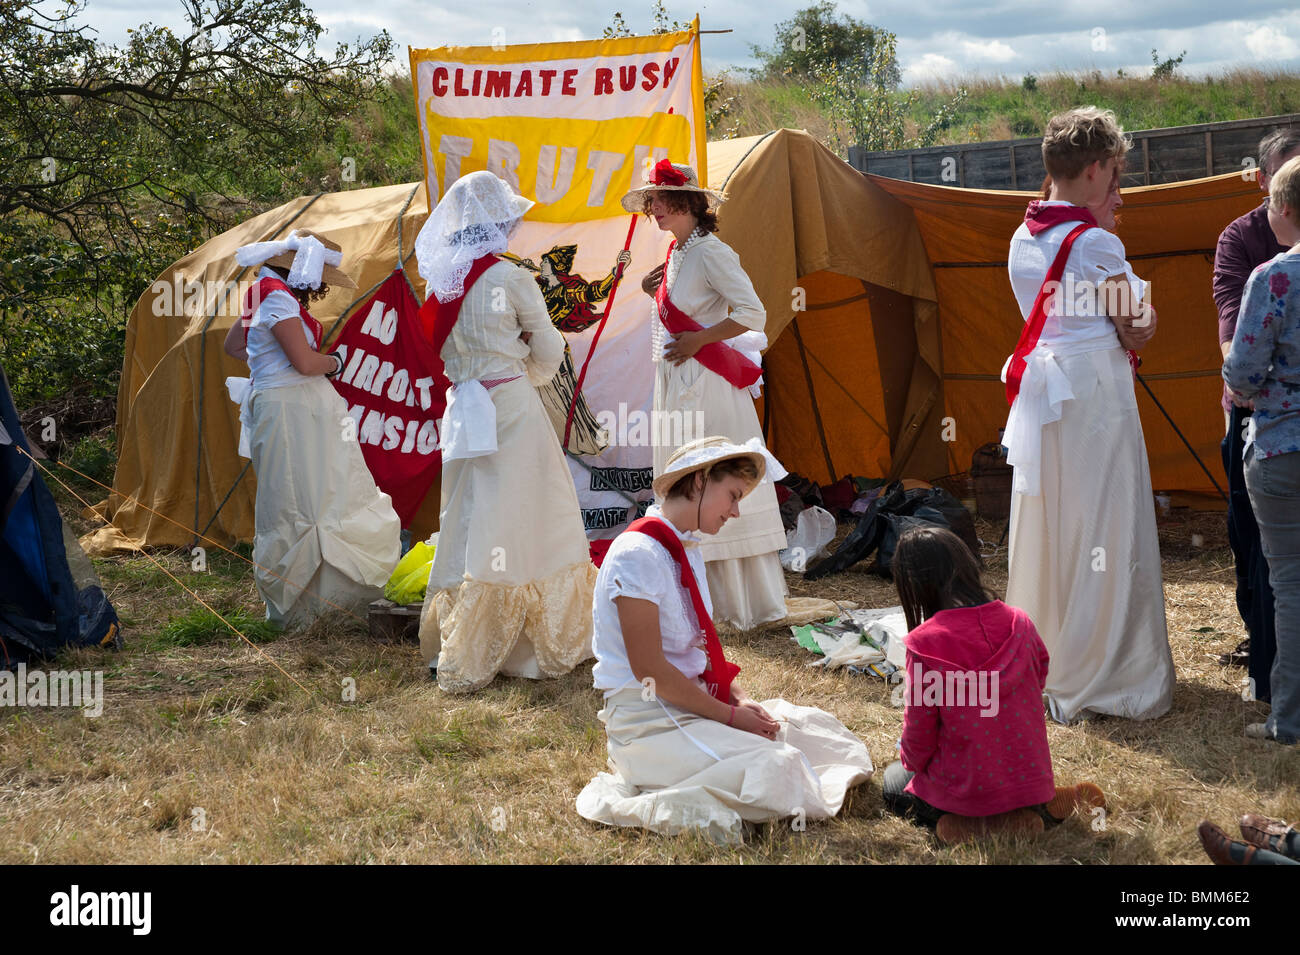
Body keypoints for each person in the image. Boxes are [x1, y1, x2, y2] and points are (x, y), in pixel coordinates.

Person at [576, 435, 873, 843]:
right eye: (732, 496)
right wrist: (730, 718)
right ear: (698, 483)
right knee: (782, 768)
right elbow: (650, 672)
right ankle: (655, 770)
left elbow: (698, 649)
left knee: (819, 734)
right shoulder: (637, 554)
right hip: (649, 723)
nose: (735, 512)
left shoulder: (687, 546)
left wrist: (739, 697)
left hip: (692, 703)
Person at [1001, 106, 1174, 723]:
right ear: (1098, 169)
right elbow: (1135, 328)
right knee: (1105, 524)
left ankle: (1049, 649)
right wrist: (1147, 318)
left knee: (1055, 524)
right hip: (1093, 393)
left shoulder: (1024, 234)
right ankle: (1107, 665)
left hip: (1047, 396)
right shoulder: (1096, 242)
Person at [413, 170, 596, 694]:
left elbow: (440, 350)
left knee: (469, 512)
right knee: (526, 509)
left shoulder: (443, 281)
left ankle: (461, 640)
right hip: (509, 404)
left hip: (464, 406)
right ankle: (525, 646)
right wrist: (526, 380)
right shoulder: (511, 276)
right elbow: (549, 345)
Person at [623, 160, 788, 631]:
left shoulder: (711, 251)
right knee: (686, 474)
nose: (653, 208)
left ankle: (736, 600)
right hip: (679, 382)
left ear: (689, 203)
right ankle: (695, 596)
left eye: (661, 199)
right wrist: (646, 288)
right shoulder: (678, 252)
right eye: (651, 200)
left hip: (709, 384)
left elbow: (753, 313)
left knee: (711, 474)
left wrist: (701, 340)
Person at [881, 526, 1105, 844]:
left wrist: (908, 760)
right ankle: (1037, 809)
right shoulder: (1021, 623)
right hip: (1027, 782)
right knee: (1010, 785)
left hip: (965, 790)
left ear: (915, 586)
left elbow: (919, 735)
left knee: (893, 782)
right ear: (968, 566)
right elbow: (1039, 676)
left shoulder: (923, 645)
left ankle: (969, 824)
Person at [223, 229, 401, 627]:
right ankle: (316, 606)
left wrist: (265, 367)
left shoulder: (261, 292)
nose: (319, 285)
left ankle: (314, 601)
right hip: (293, 410)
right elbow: (305, 363)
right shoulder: (276, 297)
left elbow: (234, 347)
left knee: (304, 494)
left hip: (287, 405)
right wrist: (336, 362)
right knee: (307, 497)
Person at [1212, 129, 1300, 696]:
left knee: (1286, 577)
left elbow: (1243, 364)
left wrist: (1250, 380)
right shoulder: (1240, 240)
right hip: (1258, 426)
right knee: (1258, 558)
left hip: (1274, 429)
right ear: (1267, 182)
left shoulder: (1274, 276)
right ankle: (1266, 670)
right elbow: (1228, 320)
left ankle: (1283, 705)